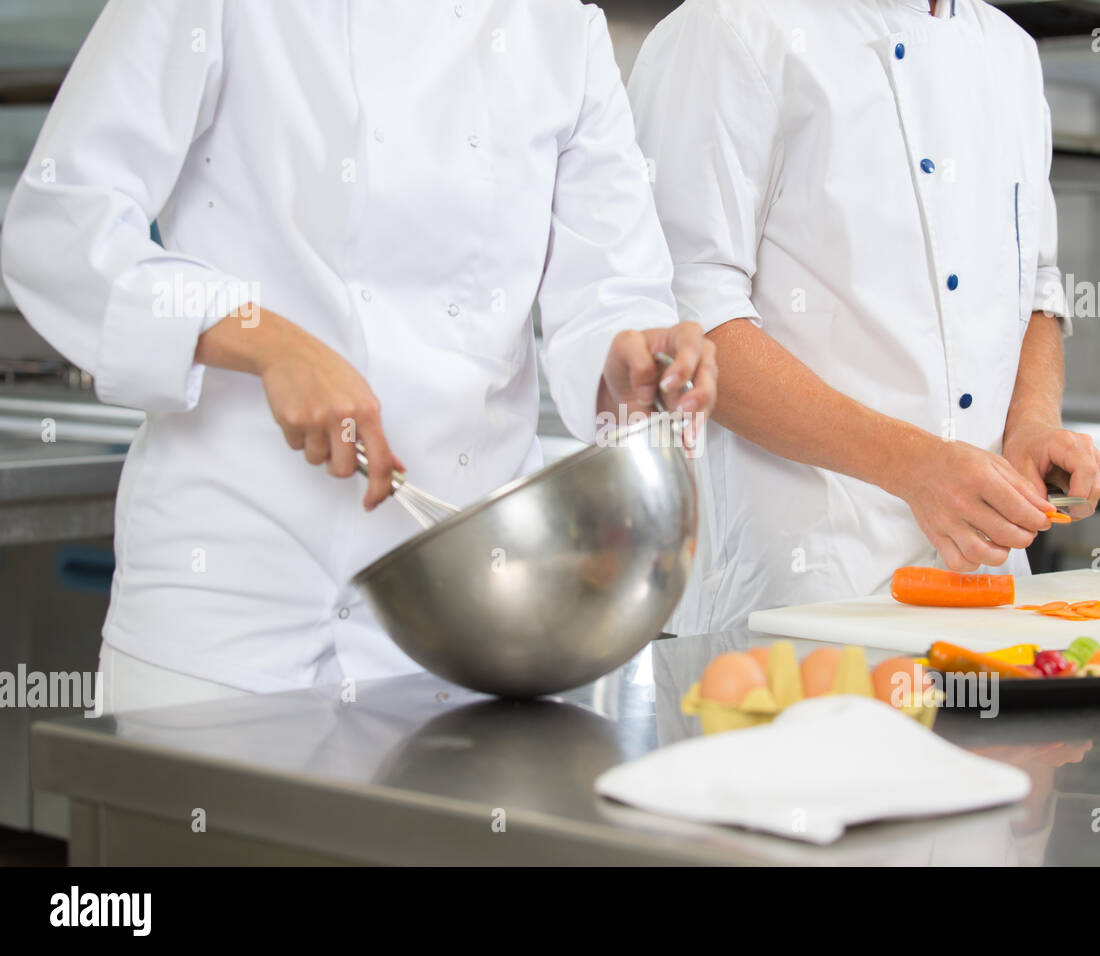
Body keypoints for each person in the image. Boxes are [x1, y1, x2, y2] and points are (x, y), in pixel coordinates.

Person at [1, 0, 716, 712]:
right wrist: (260, 336)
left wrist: (633, 358)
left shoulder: (558, 27)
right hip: (229, 604)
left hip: (468, 616)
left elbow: (610, 294)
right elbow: (59, 225)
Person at [627, 0, 1100, 634]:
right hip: (798, 594)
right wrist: (914, 465)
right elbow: (686, 321)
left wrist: (1031, 425)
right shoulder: (727, 28)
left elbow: (1037, 284)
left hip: (989, 595)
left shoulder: (1010, 51)